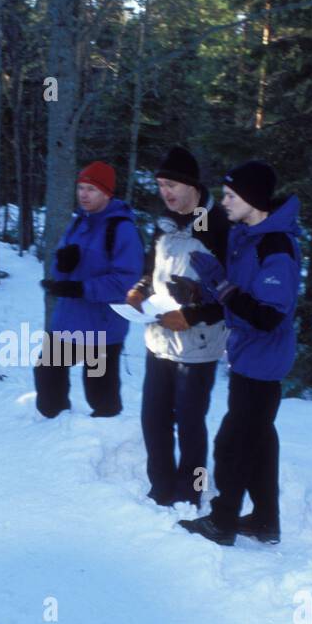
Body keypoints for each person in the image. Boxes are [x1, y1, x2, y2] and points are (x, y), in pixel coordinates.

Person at [177, 161, 301, 546]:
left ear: (252, 199)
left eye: (231, 196)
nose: (225, 202)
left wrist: (222, 286)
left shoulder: (274, 246)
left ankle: (223, 522)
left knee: (232, 444)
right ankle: (265, 519)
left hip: (263, 360)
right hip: (247, 355)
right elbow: (237, 298)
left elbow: (266, 316)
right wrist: (201, 295)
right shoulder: (246, 235)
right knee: (259, 438)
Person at [129, 147, 230, 508]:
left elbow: (231, 292)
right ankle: (161, 487)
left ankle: (191, 491)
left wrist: (192, 315)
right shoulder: (164, 222)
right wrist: (141, 289)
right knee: (153, 418)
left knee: (190, 422)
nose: (165, 192)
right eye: (160, 185)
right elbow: (149, 267)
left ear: (192, 186)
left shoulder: (219, 225)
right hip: (158, 339)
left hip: (199, 344)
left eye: (171, 184)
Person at [34, 161, 144, 418]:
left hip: (102, 327)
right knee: (47, 375)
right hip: (69, 319)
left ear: (107, 193)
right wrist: (62, 266)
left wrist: (80, 288)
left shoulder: (123, 229)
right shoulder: (78, 223)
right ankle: (57, 429)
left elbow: (125, 283)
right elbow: (61, 271)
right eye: (81, 188)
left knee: (101, 395)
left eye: (91, 189)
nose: (83, 194)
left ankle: (103, 443)